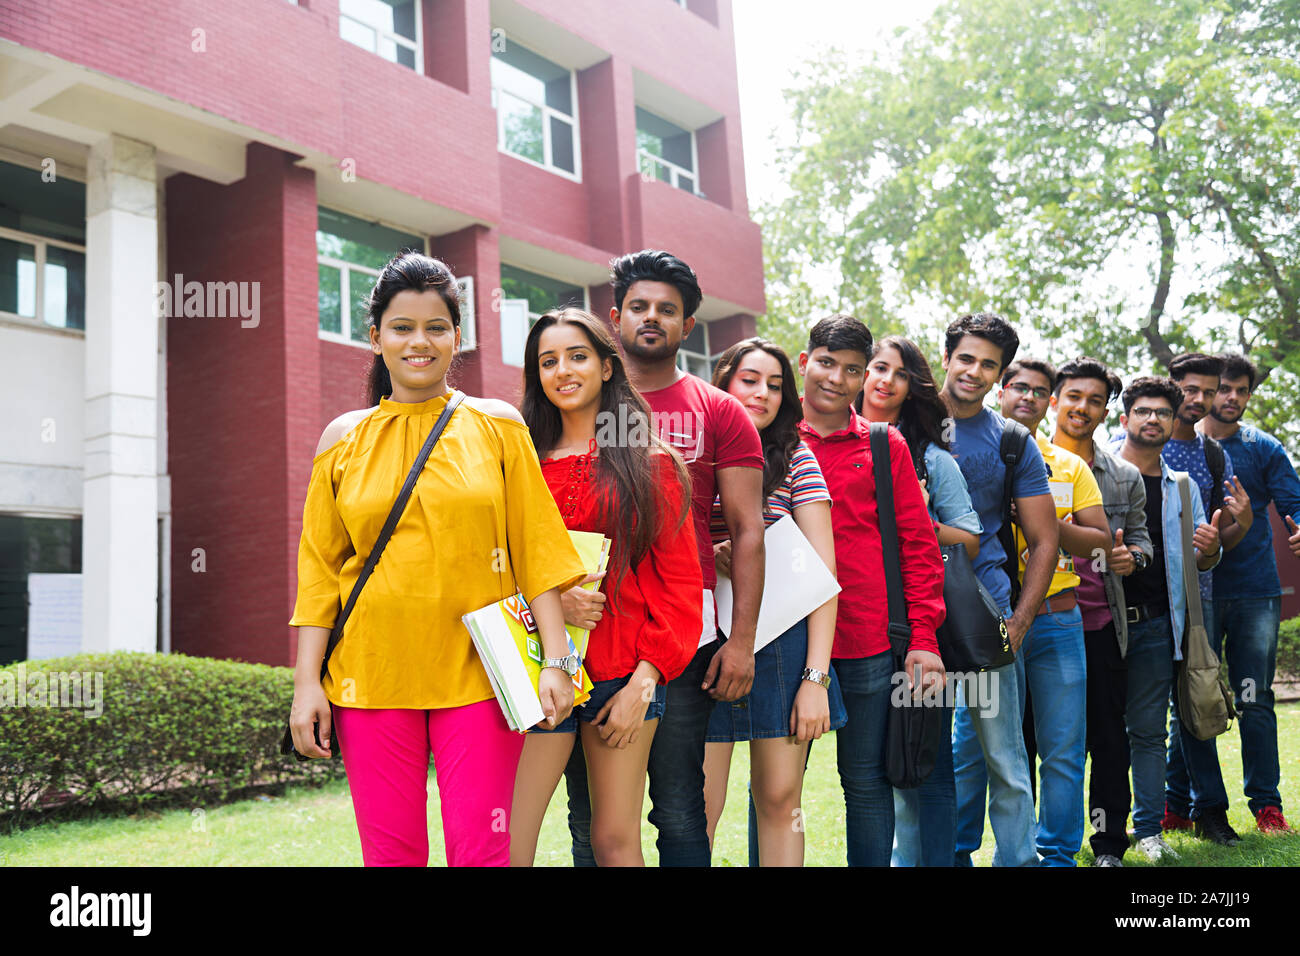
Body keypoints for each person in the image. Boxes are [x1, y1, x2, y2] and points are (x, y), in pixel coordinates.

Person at [287, 252, 588, 867]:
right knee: (391, 855)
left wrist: (558, 661)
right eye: (401, 327)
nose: (418, 342)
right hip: (369, 677)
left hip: (480, 675)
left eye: (436, 327)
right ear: (375, 338)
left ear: (458, 337)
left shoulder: (497, 425)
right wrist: (305, 686)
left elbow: (537, 550)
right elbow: (319, 574)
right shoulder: (341, 439)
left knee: (483, 851)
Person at [561, 250, 766, 867]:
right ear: (616, 316)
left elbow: (747, 529)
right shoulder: (577, 404)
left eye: (668, 311)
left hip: (685, 627)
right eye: (640, 307)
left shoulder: (721, 411)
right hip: (590, 628)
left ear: (688, 327)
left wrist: (742, 641)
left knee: (679, 803)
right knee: (589, 812)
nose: (652, 318)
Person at [509, 308, 702, 867]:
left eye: (577, 356)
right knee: (510, 839)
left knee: (613, 841)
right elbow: (489, 567)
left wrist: (646, 682)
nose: (562, 371)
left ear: (607, 368)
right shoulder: (516, 463)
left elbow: (681, 585)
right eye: (548, 361)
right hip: (535, 664)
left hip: (622, 672)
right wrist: (548, 600)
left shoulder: (649, 462)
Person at [797, 314, 947, 867]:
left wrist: (924, 636)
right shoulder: (772, 440)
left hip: (867, 638)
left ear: (863, 379)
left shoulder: (886, 445)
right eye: (827, 363)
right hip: (788, 640)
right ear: (804, 363)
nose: (836, 378)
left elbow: (918, 544)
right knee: (775, 788)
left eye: (852, 369)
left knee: (864, 783)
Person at [701, 337, 847, 866]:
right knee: (697, 804)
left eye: (775, 385)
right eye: (749, 379)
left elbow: (824, 576)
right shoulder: (695, 448)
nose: (761, 393)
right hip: (705, 638)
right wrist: (722, 553)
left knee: (781, 797)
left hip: (784, 644)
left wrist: (815, 681)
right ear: (724, 381)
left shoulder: (795, 458)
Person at [939, 312, 1058, 868]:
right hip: (908, 615)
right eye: (966, 358)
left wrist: (1020, 620)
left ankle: (1019, 862)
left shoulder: (1013, 441)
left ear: (1000, 376)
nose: (974, 371)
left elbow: (1045, 539)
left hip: (985, 613)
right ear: (946, 358)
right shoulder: (899, 423)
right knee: (919, 758)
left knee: (1006, 760)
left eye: (988, 364)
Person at [1166, 352, 1299, 836]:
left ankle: (1267, 806)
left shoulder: (1263, 447)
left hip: (1252, 593)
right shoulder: (1175, 443)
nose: (1232, 399)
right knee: (1191, 697)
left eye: (1242, 390)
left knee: (1254, 701)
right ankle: (1180, 804)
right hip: (1192, 595)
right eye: (1223, 388)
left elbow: (1295, 503)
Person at [861, 334, 982, 867]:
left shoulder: (932, 456)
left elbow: (970, 538)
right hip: (845, 630)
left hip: (917, 625)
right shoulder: (815, 446)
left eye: (900, 373)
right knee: (865, 776)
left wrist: (917, 517)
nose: (885, 380)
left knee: (926, 766)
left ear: (913, 388)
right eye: (877, 368)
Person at [997, 359, 1111, 866]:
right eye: (1018, 386)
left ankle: (1058, 857)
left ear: (1050, 402)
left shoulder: (1067, 466)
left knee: (1063, 751)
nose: (1028, 396)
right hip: (990, 624)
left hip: (1059, 622)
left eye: (1040, 391)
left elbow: (1101, 542)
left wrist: (1047, 523)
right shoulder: (970, 454)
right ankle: (963, 853)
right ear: (1002, 391)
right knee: (980, 750)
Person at [1113, 375, 1223, 862]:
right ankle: (1099, 833)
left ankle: (1149, 831)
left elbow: (1197, 560)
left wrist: (1212, 550)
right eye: (1143, 411)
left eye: (1162, 412)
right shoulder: (1097, 475)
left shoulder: (1182, 487)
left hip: (1158, 626)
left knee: (1150, 732)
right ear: (1126, 418)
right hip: (1099, 625)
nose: (1153, 419)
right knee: (1095, 734)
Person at [1051, 357, 1154, 866]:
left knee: (1109, 740)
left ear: (1104, 410)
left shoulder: (1123, 476)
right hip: (1040, 621)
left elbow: (1141, 543)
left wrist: (1129, 558)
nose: (1083, 407)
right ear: (1055, 400)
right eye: (1073, 396)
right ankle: (1041, 844)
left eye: (1095, 400)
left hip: (1100, 624)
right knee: (1038, 742)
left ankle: (1109, 845)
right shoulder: (1025, 459)